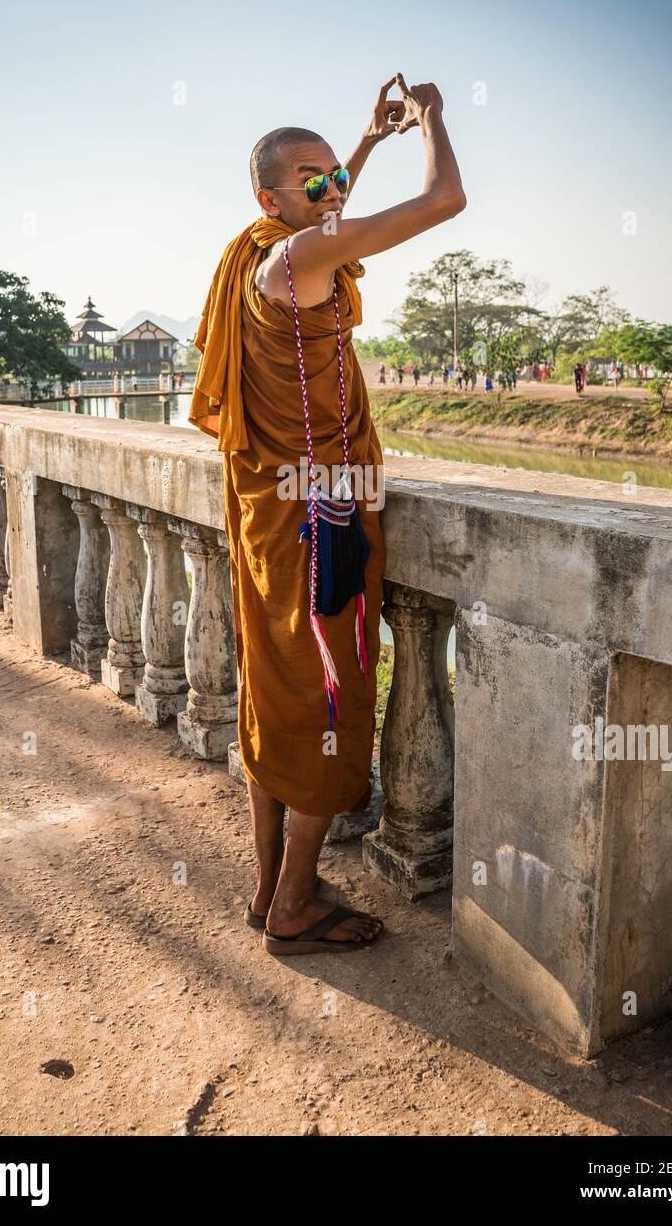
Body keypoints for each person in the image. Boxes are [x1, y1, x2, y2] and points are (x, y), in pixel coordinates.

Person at [188, 74, 465, 954]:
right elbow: (446, 199)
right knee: (327, 692)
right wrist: (432, 122)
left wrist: (365, 144)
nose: (329, 185)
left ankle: (267, 885)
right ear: (267, 196)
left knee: (275, 688)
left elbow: (326, 208)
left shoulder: (260, 247)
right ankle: (297, 906)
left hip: (270, 507)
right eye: (310, 178)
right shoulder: (294, 258)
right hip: (324, 515)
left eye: (332, 173)